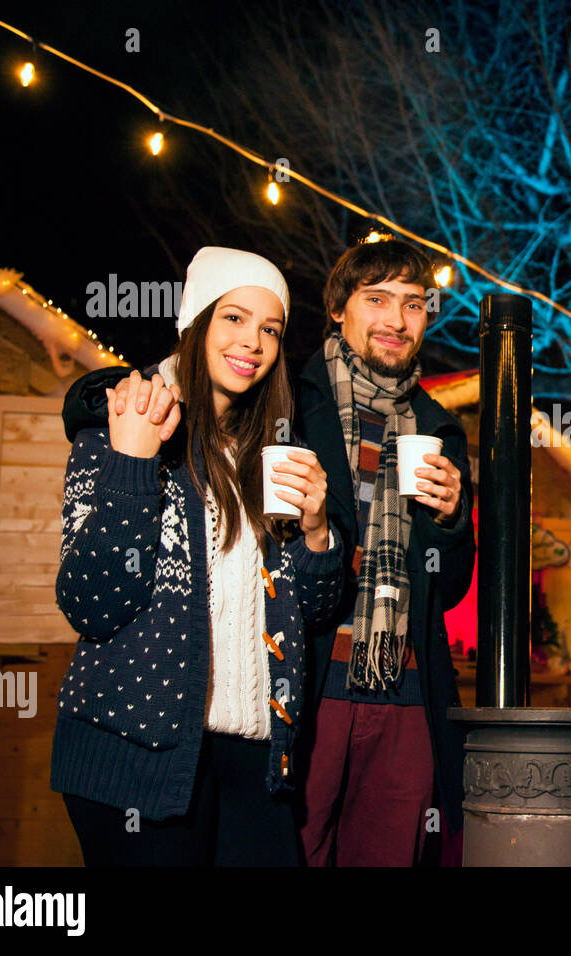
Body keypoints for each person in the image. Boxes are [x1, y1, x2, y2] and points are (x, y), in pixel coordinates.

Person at [61, 239, 475, 866]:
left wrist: (441, 522)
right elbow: (91, 602)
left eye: (414, 304)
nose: (396, 318)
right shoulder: (288, 411)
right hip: (266, 710)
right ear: (338, 308)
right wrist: (120, 415)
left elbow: (434, 588)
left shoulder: (426, 428)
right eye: (378, 298)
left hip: (316, 710)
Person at [52, 247, 344, 866]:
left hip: (257, 758)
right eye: (234, 318)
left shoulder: (265, 454)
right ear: (195, 321)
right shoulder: (121, 428)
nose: (254, 342)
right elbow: (91, 603)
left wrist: (317, 532)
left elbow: (314, 615)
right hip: (141, 754)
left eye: (271, 328)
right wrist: (132, 464)